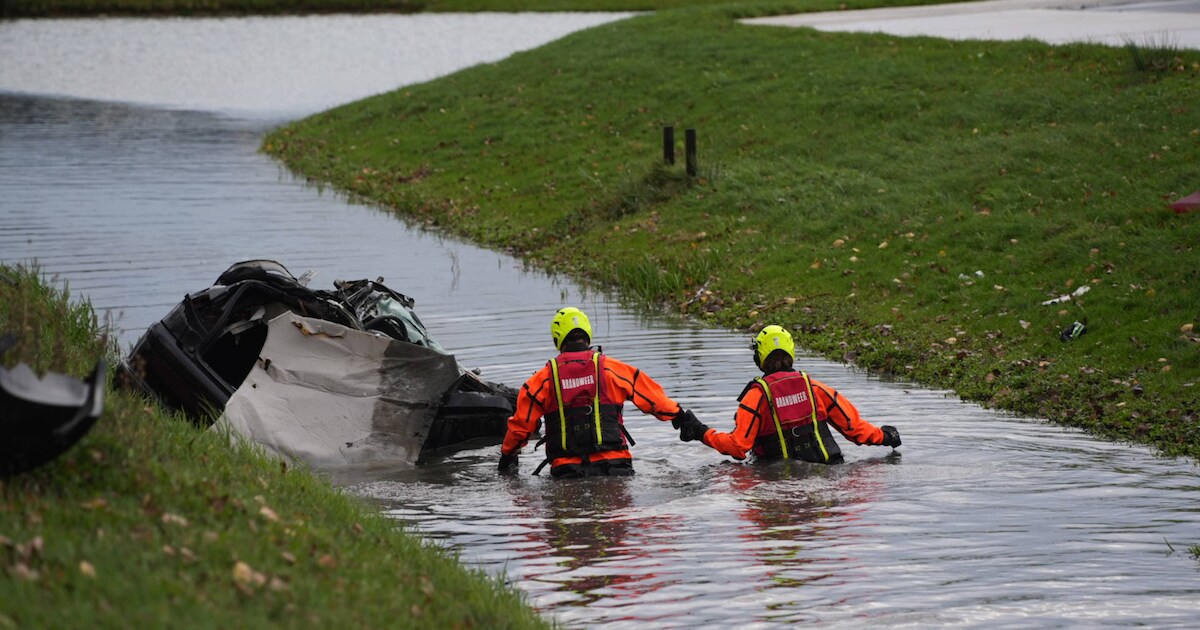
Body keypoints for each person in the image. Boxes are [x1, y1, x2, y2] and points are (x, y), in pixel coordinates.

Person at [499, 307, 699, 478]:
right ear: (588, 333)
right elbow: (655, 400)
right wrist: (680, 417)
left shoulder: (541, 380)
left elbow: (520, 428)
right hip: (616, 468)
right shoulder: (613, 369)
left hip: (567, 472)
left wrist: (507, 456)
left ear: (557, 339)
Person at [673, 324, 901, 463]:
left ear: (758, 358)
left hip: (776, 481)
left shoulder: (756, 396)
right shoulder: (815, 389)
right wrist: (885, 436)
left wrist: (701, 432)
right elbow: (855, 429)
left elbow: (738, 447)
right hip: (830, 471)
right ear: (791, 351)